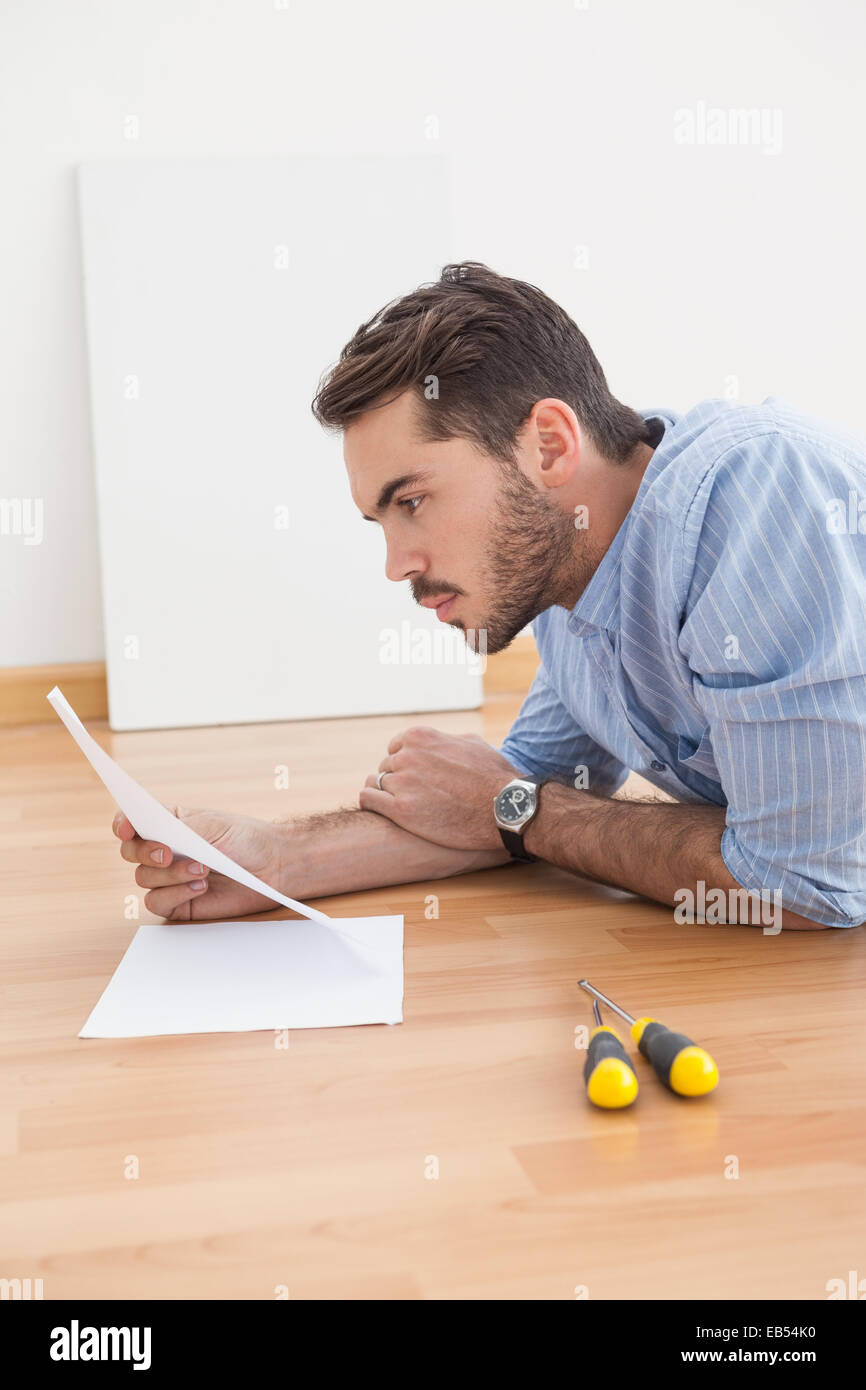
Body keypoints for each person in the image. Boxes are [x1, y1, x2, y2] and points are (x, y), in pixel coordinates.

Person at [113, 263, 866, 931]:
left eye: (411, 500)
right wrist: (275, 859)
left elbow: (798, 884)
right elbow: (489, 810)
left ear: (549, 446)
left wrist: (523, 808)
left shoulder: (758, 504)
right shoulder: (574, 576)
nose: (397, 564)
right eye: (379, 520)